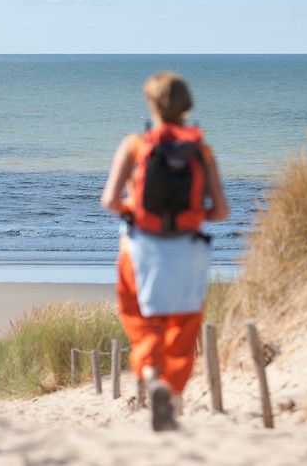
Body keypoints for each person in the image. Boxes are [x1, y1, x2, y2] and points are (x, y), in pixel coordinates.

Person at [100, 72, 229, 431]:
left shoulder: (135, 145)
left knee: (142, 319)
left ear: (151, 104)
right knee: (183, 325)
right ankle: (172, 395)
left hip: (141, 247)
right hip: (188, 250)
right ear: (187, 105)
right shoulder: (201, 150)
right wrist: (190, 216)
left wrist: (135, 210)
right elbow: (221, 212)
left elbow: (109, 200)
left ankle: (153, 378)